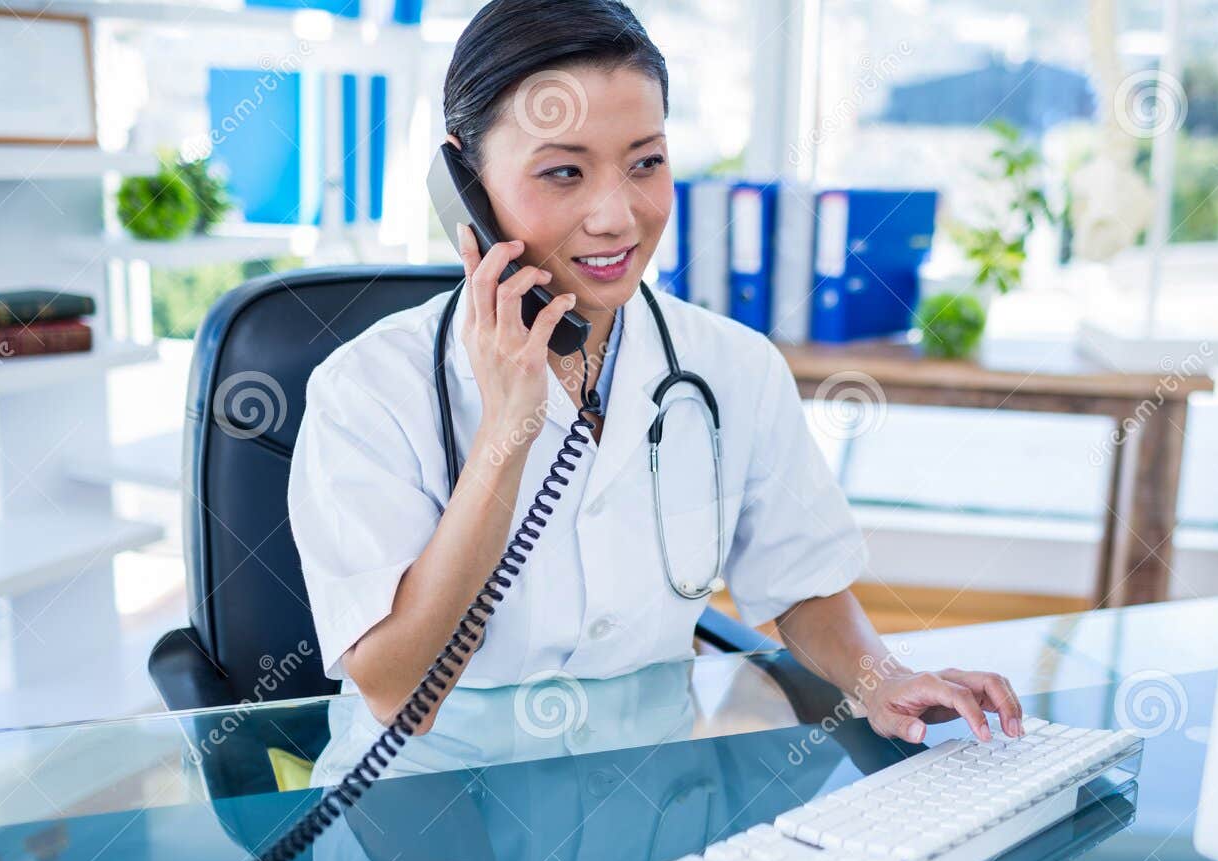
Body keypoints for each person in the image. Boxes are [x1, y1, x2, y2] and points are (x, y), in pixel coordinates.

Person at [288, 0, 1023, 744]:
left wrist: (881, 676)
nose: (617, 215)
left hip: (649, 799)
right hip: (429, 809)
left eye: (646, 162)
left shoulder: (733, 367)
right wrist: (509, 428)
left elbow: (803, 587)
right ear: (462, 184)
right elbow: (394, 689)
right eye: (564, 172)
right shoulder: (367, 390)